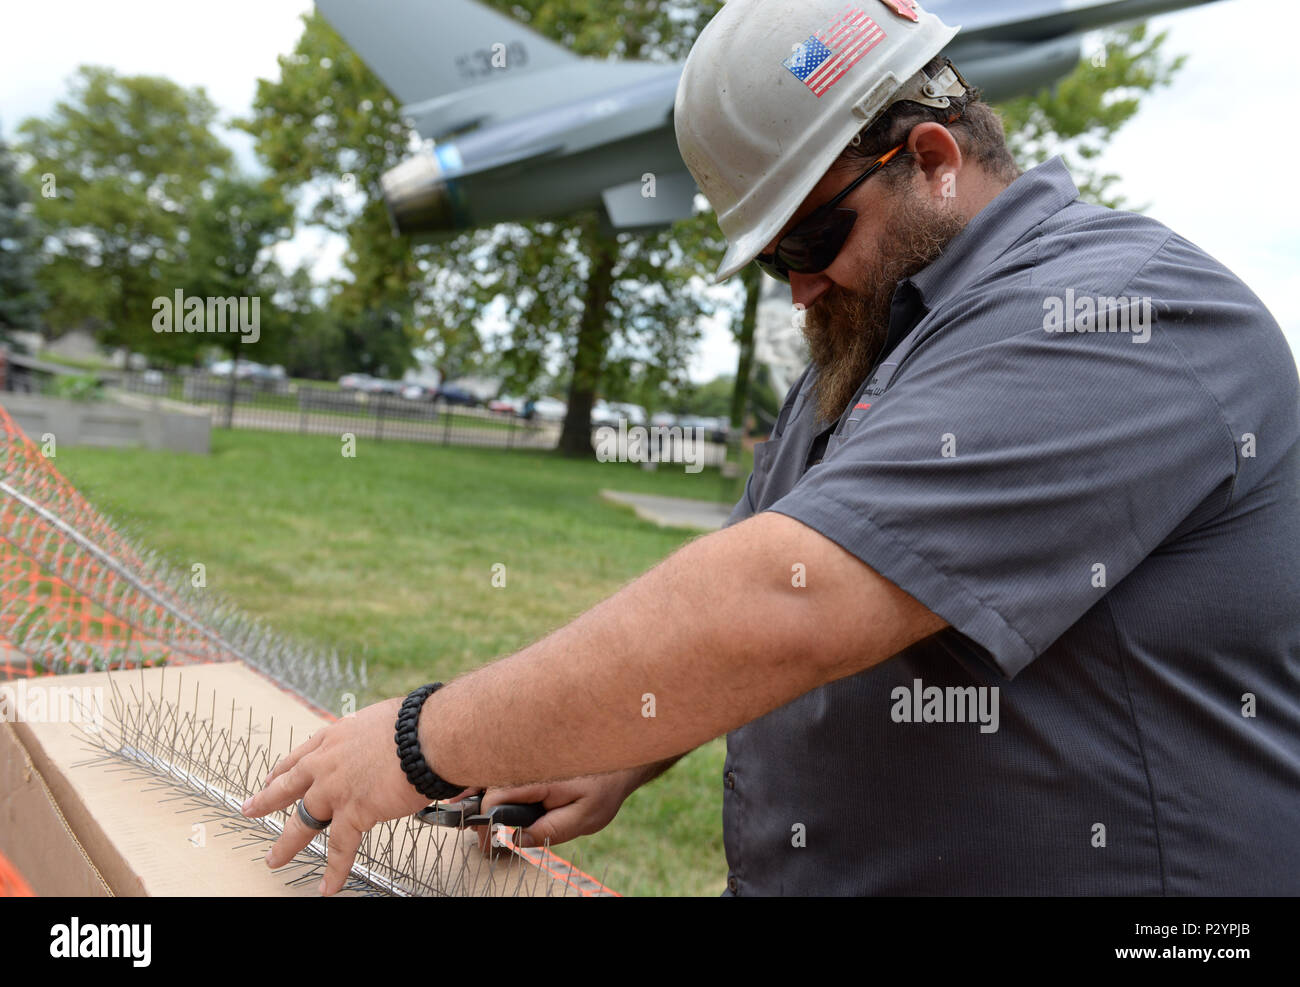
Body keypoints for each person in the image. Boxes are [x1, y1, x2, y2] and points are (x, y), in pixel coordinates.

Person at [242, 0, 1300, 895]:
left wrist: (422, 740)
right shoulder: (875, 347)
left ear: (931, 159)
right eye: (769, 261)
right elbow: (762, 572)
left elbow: (787, 603)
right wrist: (624, 752)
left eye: (806, 240)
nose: (797, 285)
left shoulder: (1117, 313)